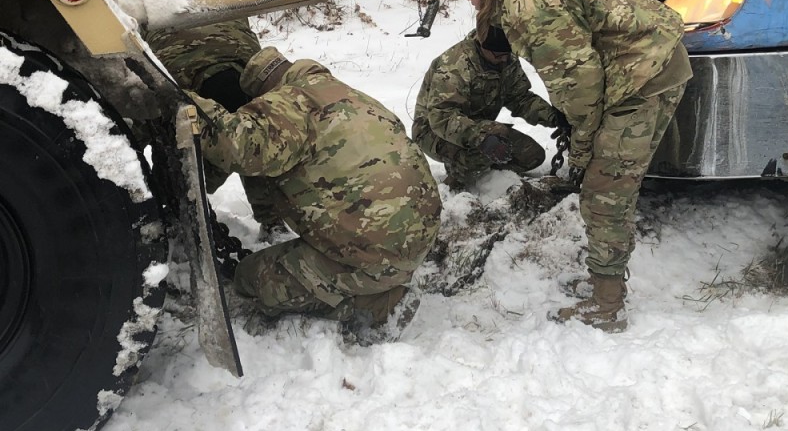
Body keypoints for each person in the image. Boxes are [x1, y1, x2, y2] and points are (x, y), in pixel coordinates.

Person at [450, 0, 693, 332]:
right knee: (607, 184)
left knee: (604, 193)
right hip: (644, 66)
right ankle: (606, 284)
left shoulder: (526, 7)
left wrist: (581, 146)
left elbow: (580, 85)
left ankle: (607, 305)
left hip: (642, 75)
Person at [188, 46, 442, 340]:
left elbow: (238, 145)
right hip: (420, 236)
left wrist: (182, 104)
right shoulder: (346, 94)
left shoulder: (288, 105)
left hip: (378, 256)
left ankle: (375, 303)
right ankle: (375, 277)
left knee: (250, 279)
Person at [146, 19, 282, 233]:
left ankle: (272, 221)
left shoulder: (260, 86)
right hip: (202, 22)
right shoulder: (167, 85)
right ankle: (173, 210)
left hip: (178, 18)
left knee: (256, 141)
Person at [412, 27, 565, 190]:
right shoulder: (455, 65)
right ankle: (456, 185)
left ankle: (486, 174)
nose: (504, 59)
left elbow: (519, 97)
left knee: (532, 155)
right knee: (489, 141)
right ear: (482, 46)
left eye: (508, 53)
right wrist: (481, 138)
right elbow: (442, 117)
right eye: (498, 55)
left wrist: (553, 117)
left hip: (480, 127)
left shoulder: (505, 57)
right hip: (433, 132)